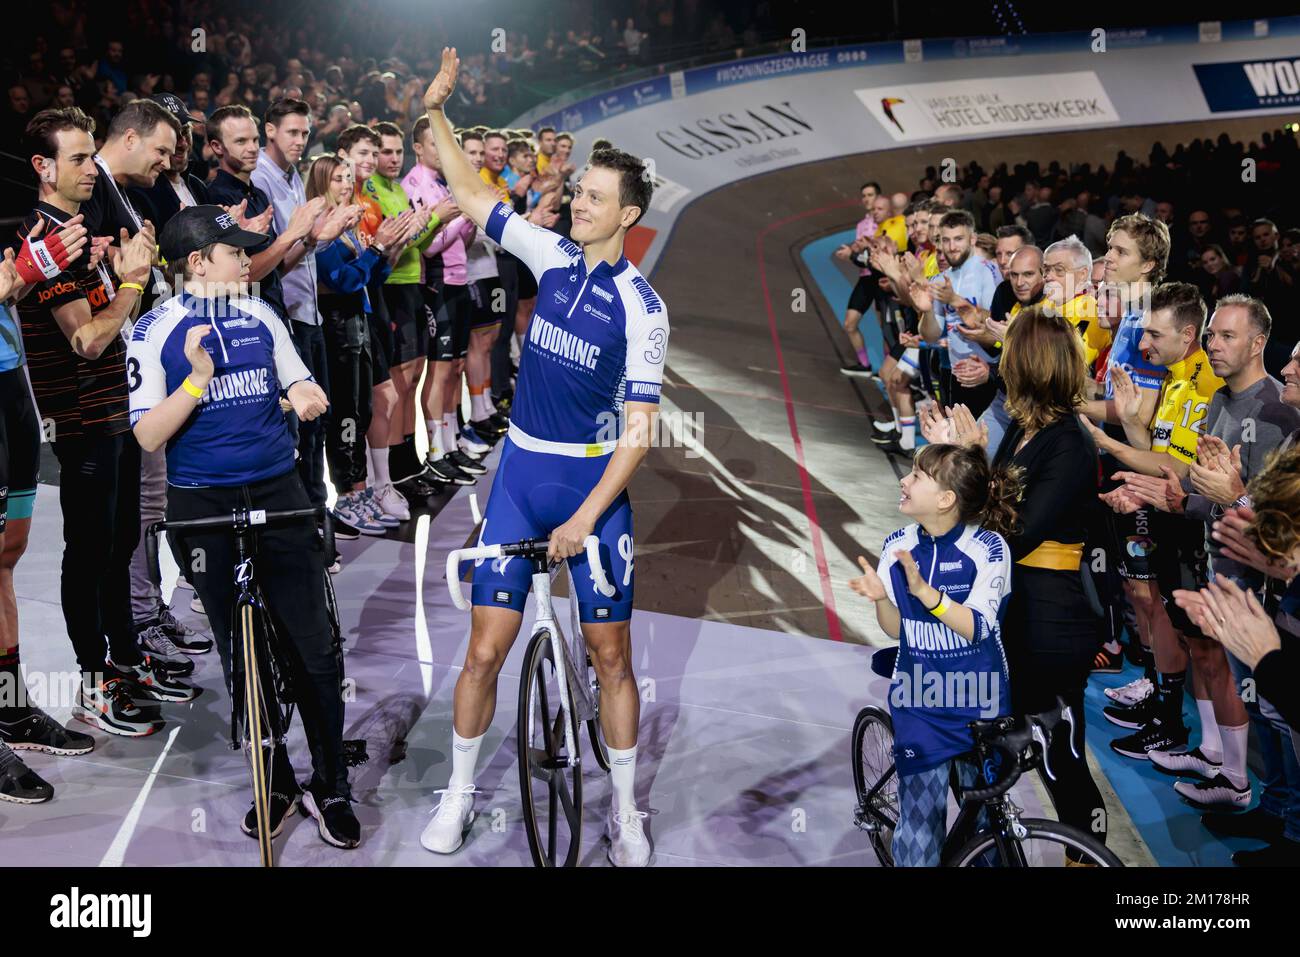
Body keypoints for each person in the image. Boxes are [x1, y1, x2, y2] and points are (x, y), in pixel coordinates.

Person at [418, 48, 668, 866]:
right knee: (485, 649)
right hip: (523, 478)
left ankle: (626, 811)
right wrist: (437, 113)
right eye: (578, 193)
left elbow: (638, 433)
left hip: (593, 486)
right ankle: (457, 795)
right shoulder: (551, 255)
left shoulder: (643, 307)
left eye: (594, 198)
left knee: (612, 656)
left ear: (625, 214)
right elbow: (472, 193)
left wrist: (590, 516)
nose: (575, 205)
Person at [128, 204, 359, 848]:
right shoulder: (153, 330)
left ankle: (332, 782)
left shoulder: (259, 313)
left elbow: (297, 379)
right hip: (202, 507)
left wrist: (306, 394)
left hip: (279, 492)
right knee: (241, 654)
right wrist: (198, 381)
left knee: (314, 648)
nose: (246, 262)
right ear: (200, 264)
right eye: (235, 252)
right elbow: (148, 434)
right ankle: (278, 778)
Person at [17, 106, 193, 739]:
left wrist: (118, 276)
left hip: (113, 413)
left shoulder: (77, 231)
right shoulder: (45, 242)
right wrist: (132, 285)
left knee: (118, 545)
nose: (90, 169)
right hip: (83, 422)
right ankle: (93, 680)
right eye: (76, 158)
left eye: (92, 156)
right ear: (43, 167)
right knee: (89, 552)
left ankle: (122, 659)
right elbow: (87, 340)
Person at [923, 305, 1109, 853]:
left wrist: (975, 458)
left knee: (1060, 759)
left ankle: (1086, 858)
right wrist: (966, 458)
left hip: (1050, 620)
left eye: (1008, 354)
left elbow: (1017, 532)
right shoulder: (1027, 431)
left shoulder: (1069, 443)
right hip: (1015, 611)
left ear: (1028, 364)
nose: (999, 362)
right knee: (980, 745)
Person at [848, 443, 1018, 866]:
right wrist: (880, 599)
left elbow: (979, 625)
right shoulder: (897, 545)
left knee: (987, 824)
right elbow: (894, 628)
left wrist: (926, 593)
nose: (904, 481)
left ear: (945, 500)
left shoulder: (989, 549)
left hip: (978, 699)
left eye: (918, 476)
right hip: (920, 702)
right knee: (920, 825)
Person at [0, 202, 95, 802]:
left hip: (9, 384)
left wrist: (16, 281)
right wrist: (23, 276)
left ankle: (8, 708)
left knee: (7, 555)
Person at [251, 98, 357, 532]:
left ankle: (316, 513)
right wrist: (316, 238)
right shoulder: (261, 180)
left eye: (306, 133)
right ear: (269, 130)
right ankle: (299, 521)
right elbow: (273, 265)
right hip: (285, 317)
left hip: (306, 314)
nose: (300, 140)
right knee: (296, 426)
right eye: (292, 132)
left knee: (317, 422)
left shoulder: (293, 176)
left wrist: (316, 238)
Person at [306, 154, 409, 537]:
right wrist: (376, 250)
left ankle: (362, 489)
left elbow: (368, 277)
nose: (345, 184)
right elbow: (341, 280)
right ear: (319, 182)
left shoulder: (348, 223)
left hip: (358, 321)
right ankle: (349, 494)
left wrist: (387, 248)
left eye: (348, 177)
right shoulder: (322, 226)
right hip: (337, 325)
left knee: (363, 408)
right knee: (346, 412)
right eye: (336, 178)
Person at [403, 114, 484, 487]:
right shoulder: (415, 183)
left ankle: (449, 445)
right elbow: (428, 245)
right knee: (437, 372)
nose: (442, 149)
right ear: (418, 148)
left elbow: (461, 243)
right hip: (436, 284)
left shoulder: (442, 182)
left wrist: (467, 220)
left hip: (458, 280)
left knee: (452, 369)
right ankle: (436, 452)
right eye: (436, 143)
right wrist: (452, 220)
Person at [836, 181, 881, 377]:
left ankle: (893, 368)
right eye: (864, 196)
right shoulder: (861, 225)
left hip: (881, 277)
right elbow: (860, 254)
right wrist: (850, 251)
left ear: (878, 197)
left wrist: (856, 254)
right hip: (865, 277)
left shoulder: (885, 222)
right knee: (849, 323)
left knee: (885, 326)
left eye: (870, 195)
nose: (866, 199)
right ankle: (864, 364)